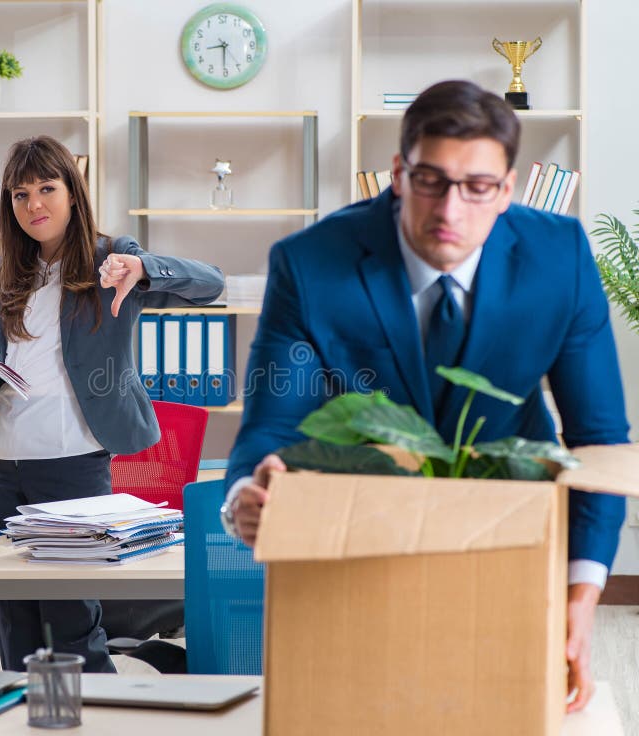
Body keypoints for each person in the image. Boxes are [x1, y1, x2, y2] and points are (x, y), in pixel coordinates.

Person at [222, 80, 628, 713]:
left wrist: (580, 595)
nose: (451, 210)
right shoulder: (311, 264)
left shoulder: (560, 259)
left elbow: (600, 442)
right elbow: (272, 425)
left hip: (510, 530)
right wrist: (249, 491)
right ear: (397, 174)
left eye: (478, 187)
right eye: (431, 180)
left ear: (508, 190)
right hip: (359, 530)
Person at [0, 135, 224, 672]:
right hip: (2, 461)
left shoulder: (110, 259)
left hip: (72, 458)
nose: (34, 205)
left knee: (69, 622)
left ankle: (104, 721)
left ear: (74, 193)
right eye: (20, 195)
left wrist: (142, 269)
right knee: (16, 621)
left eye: (47, 188)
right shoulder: (8, 270)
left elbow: (211, 283)